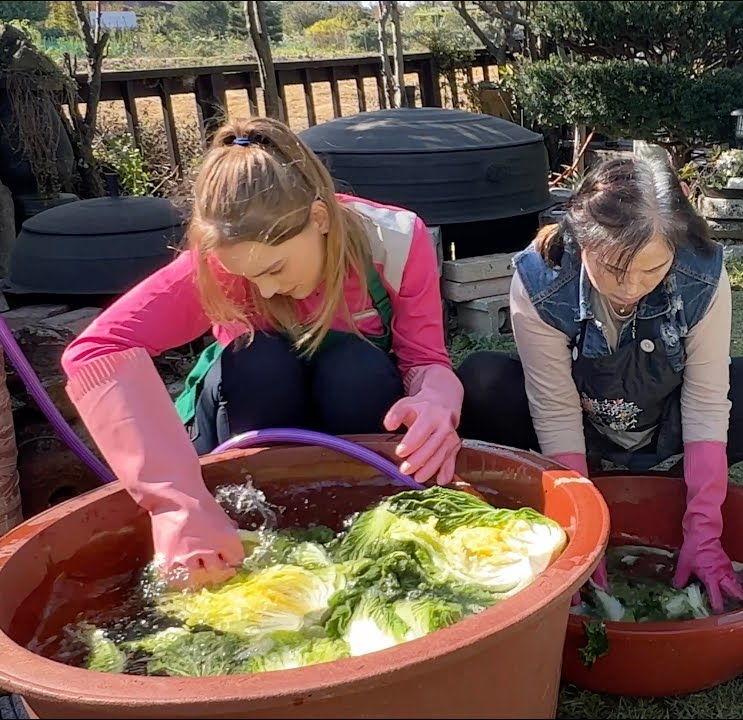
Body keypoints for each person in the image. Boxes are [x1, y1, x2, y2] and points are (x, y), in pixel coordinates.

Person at [60, 117, 464, 591]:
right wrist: (174, 504)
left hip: (354, 413)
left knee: (355, 366)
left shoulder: (394, 240)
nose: (266, 289)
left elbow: (424, 360)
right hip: (248, 417)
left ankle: (365, 520)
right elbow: (96, 350)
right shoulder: (219, 263)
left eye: (275, 268)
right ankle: (244, 524)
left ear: (319, 218)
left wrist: (436, 399)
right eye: (248, 277)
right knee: (260, 357)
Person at [455, 154, 743, 612]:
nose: (630, 287)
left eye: (652, 269)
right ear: (581, 239)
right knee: (482, 381)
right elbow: (555, 410)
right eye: (613, 268)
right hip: (582, 423)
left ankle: (667, 484)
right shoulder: (540, 279)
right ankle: (590, 479)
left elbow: (705, 401)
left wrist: (704, 530)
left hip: (664, 423)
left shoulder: (702, 273)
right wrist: (579, 534)